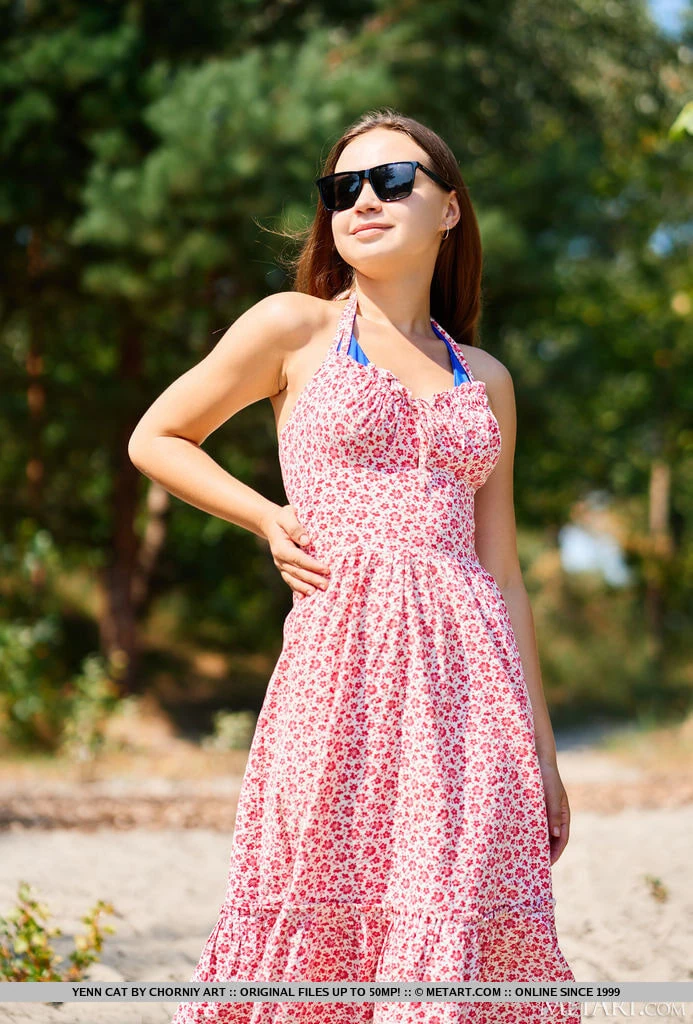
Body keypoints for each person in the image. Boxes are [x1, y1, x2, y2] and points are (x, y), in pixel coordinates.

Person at [128, 108, 580, 1023]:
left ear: (448, 209)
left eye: (392, 181)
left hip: (473, 692)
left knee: (455, 919)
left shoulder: (485, 377)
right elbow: (157, 437)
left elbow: (502, 568)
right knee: (319, 914)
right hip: (342, 671)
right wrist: (266, 518)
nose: (363, 201)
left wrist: (541, 746)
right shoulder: (293, 326)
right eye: (342, 189)